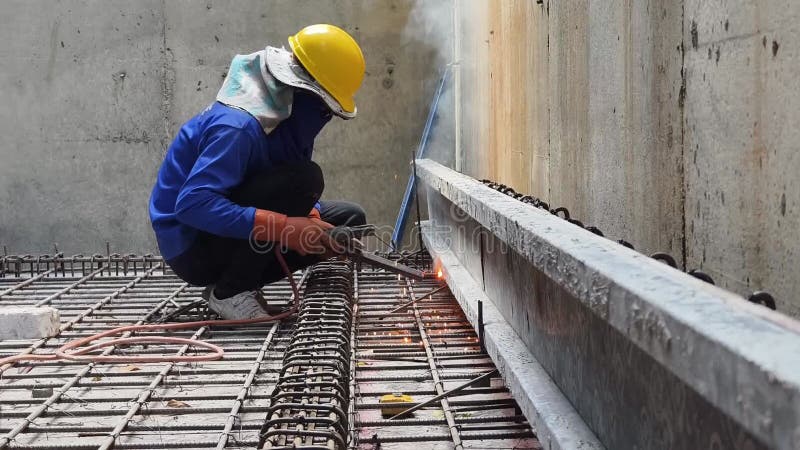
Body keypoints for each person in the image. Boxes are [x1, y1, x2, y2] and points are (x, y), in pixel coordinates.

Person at [149, 24, 367, 320]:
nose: (325, 118)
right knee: (305, 180)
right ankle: (230, 292)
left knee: (349, 220)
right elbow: (192, 206)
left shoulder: (287, 119)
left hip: (224, 231)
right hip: (193, 247)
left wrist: (312, 220)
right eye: (324, 109)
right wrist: (286, 228)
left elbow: (275, 188)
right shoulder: (237, 127)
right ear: (303, 91)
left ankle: (241, 276)